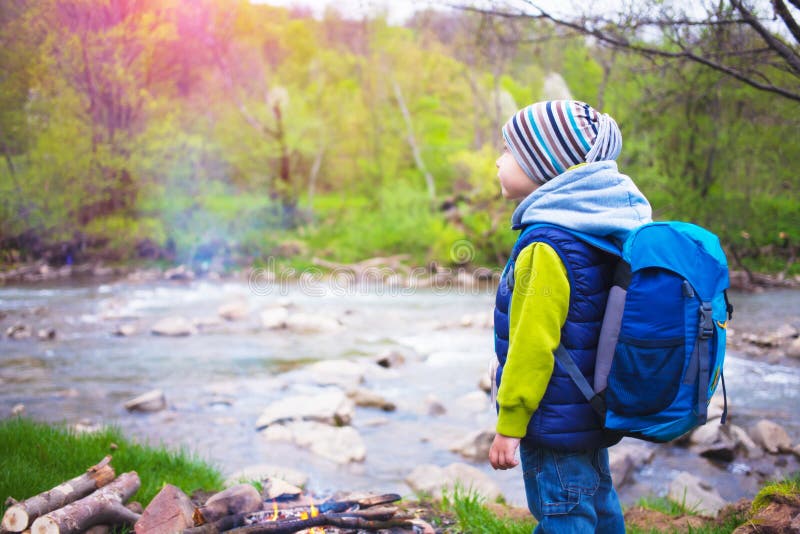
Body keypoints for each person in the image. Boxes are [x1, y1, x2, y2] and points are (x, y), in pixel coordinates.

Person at [488, 100, 652, 533]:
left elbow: (532, 345)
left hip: (553, 419)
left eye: (508, 150)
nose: (498, 161)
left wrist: (510, 423)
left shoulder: (545, 246)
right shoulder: (599, 229)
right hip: (591, 407)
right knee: (597, 506)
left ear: (544, 165)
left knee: (564, 515)